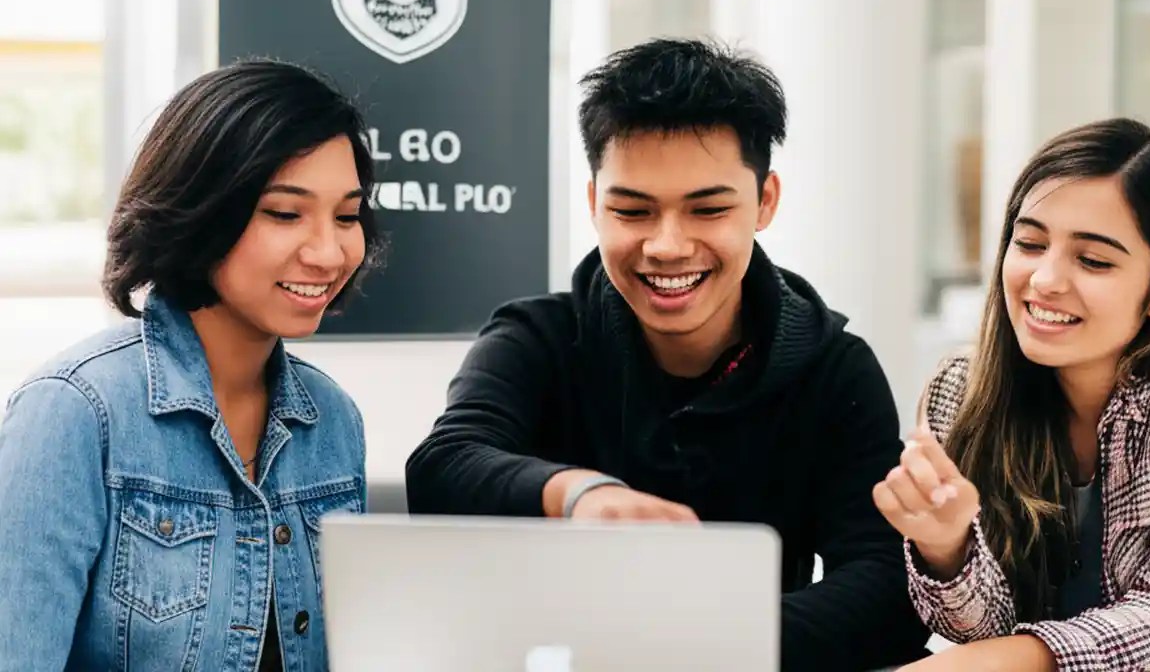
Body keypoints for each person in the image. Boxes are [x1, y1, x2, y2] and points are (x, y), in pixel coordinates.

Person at [405, 38, 930, 670]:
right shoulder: (535, 338)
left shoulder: (832, 367)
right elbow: (444, 466)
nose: (668, 246)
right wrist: (578, 494)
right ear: (594, 203)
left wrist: (702, 640)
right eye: (633, 211)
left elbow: (884, 586)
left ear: (765, 202)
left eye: (708, 209)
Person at [0, 59, 380, 671]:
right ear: (203, 209)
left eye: (346, 215)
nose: (329, 251)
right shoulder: (75, 413)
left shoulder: (333, 421)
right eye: (285, 213)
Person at [873, 118, 1150, 671]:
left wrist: (998, 662)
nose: (1043, 279)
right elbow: (983, 629)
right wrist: (947, 549)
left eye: (1093, 260)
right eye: (1031, 243)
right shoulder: (961, 391)